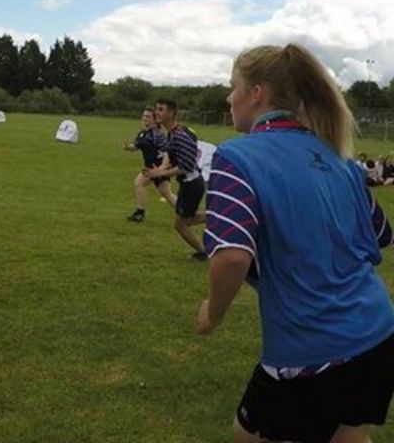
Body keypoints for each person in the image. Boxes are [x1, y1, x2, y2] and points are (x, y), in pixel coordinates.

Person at [197, 43, 394, 443]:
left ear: (257, 94)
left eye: (233, 86)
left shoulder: (236, 157)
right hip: (378, 330)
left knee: (247, 434)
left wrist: (212, 313)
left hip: (310, 348)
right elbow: (381, 234)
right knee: (350, 435)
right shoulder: (338, 157)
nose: (227, 97)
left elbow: (232, 257)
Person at [144, 99, 207, 259]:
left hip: (192, 184)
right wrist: (161, 168)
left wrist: (160, 174)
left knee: (181, 224)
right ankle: (204, 247)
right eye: (157, 109)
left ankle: (202, 251)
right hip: (188, 184)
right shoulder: (173, 133)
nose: (157, 112)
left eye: (161, 109)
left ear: (171, 113)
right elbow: (168, 152)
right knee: (185, 221)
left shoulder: (179, 135)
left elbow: (185, 166)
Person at [123, 106, 176, 222]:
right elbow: (136, 146)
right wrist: (128, 147)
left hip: (158, 169)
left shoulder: (157, 134)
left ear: (155, 120)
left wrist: (163, 167)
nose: (144, 118)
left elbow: (168, 150)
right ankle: (185, 214)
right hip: (151, 169)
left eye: (148, 116)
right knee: (165, 193)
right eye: (143, 116)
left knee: (141, 184)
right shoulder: (143, 134)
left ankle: (140, 213)